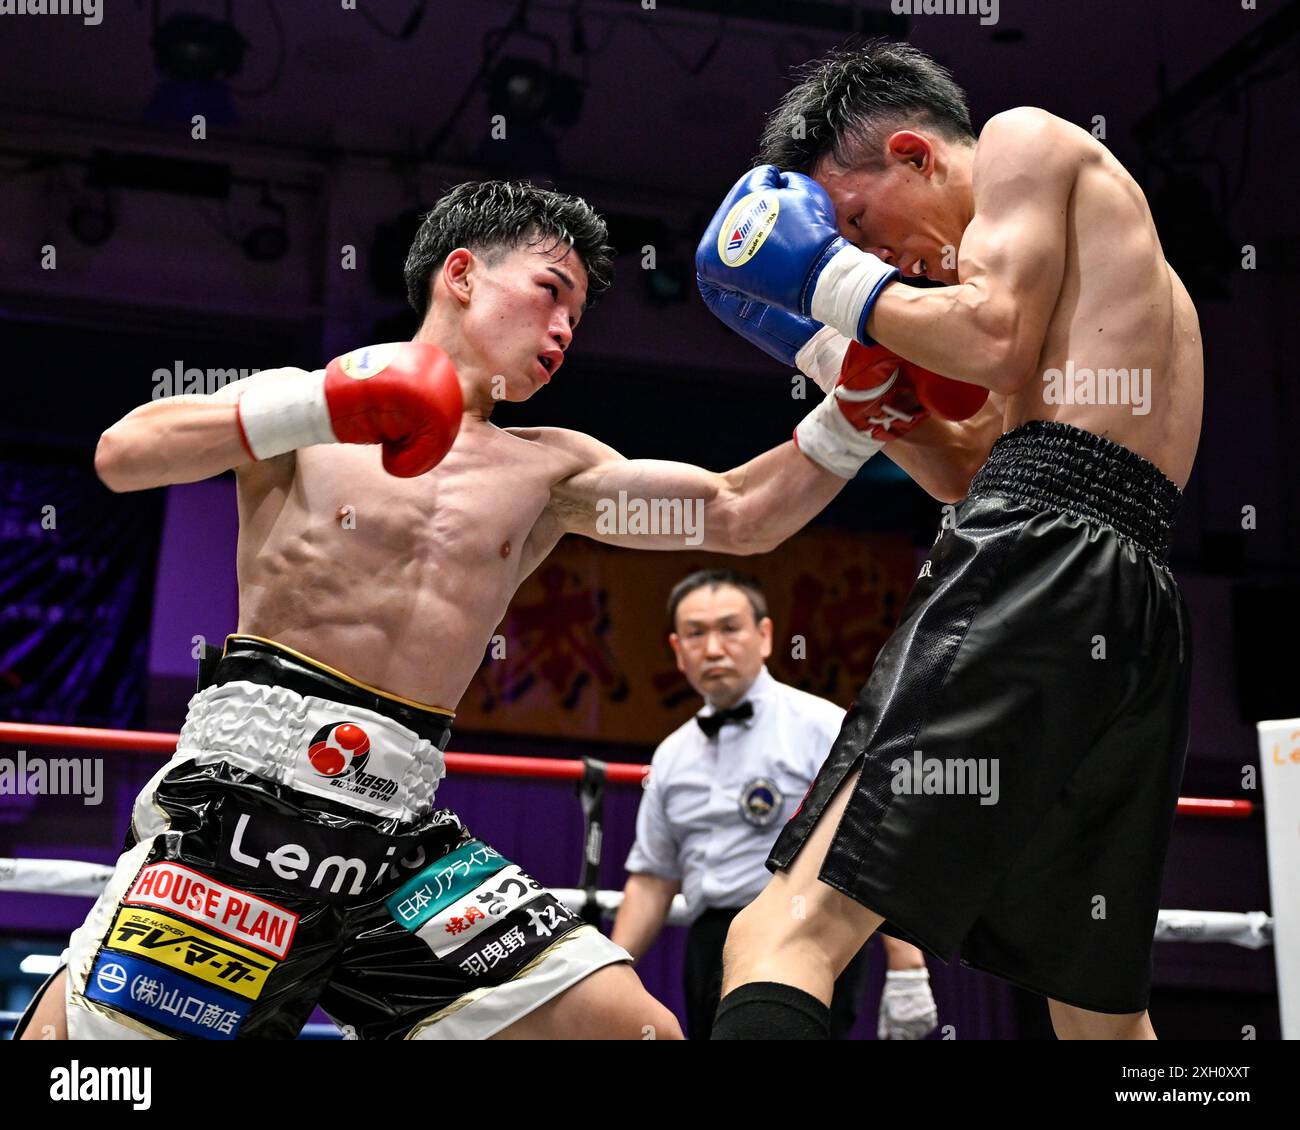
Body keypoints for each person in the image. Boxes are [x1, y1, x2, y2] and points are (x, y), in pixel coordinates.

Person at [14, 178, 956, 1041]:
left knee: (632, 1031)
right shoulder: (310, 405)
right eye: (552, 291)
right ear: (461, 275)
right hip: (243, 810)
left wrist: (848, 419)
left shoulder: (549, 470)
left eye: (578, 317)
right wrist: (326, 406)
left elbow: (739, 513)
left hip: (397, 841)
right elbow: (122, 455)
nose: (564, 330)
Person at [696, 41, 1202, 1040]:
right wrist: (851, 373)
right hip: (1130, 598)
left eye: (856, 222)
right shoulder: (1075, 278)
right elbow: (968, 470)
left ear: (914, 153)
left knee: (781, 931)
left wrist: (823, 278)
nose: (876, 256)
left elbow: (993, 340)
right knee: (1098, 1017)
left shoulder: (1024, 138)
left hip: (1038, 554)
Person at [611, 569, 938, 1039]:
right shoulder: (671, 755)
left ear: (764, 636)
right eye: (696, 634)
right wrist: (614, 968)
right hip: (707, 944)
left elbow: (874, 842)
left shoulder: (823, 727)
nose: (713, 648)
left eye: (729, 628)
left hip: (802, 929)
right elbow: (653, 879)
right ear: (677, 650)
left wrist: (907, 965)